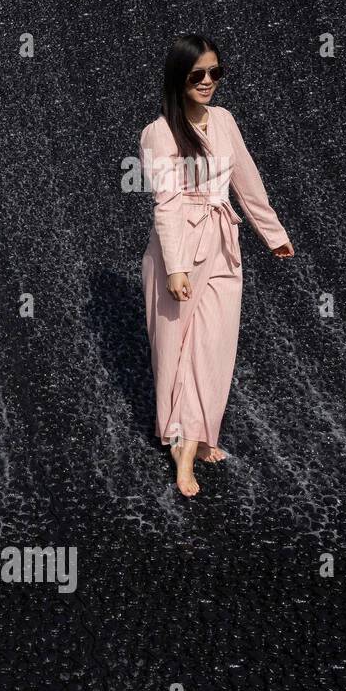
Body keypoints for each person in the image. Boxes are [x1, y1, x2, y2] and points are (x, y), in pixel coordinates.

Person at [140, 34, 295, 497]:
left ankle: (201, 430)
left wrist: (274, 234)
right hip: (180, 253)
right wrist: (175, 266)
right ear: (178, 78)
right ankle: (185, 449)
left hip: (224, 246)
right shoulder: (158, 132)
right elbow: (165, 204)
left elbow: (246, 180)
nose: (208, 82)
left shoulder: (224, 120)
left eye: (215, 73)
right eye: (197, 75)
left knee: (215, 345)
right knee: (179, 350)